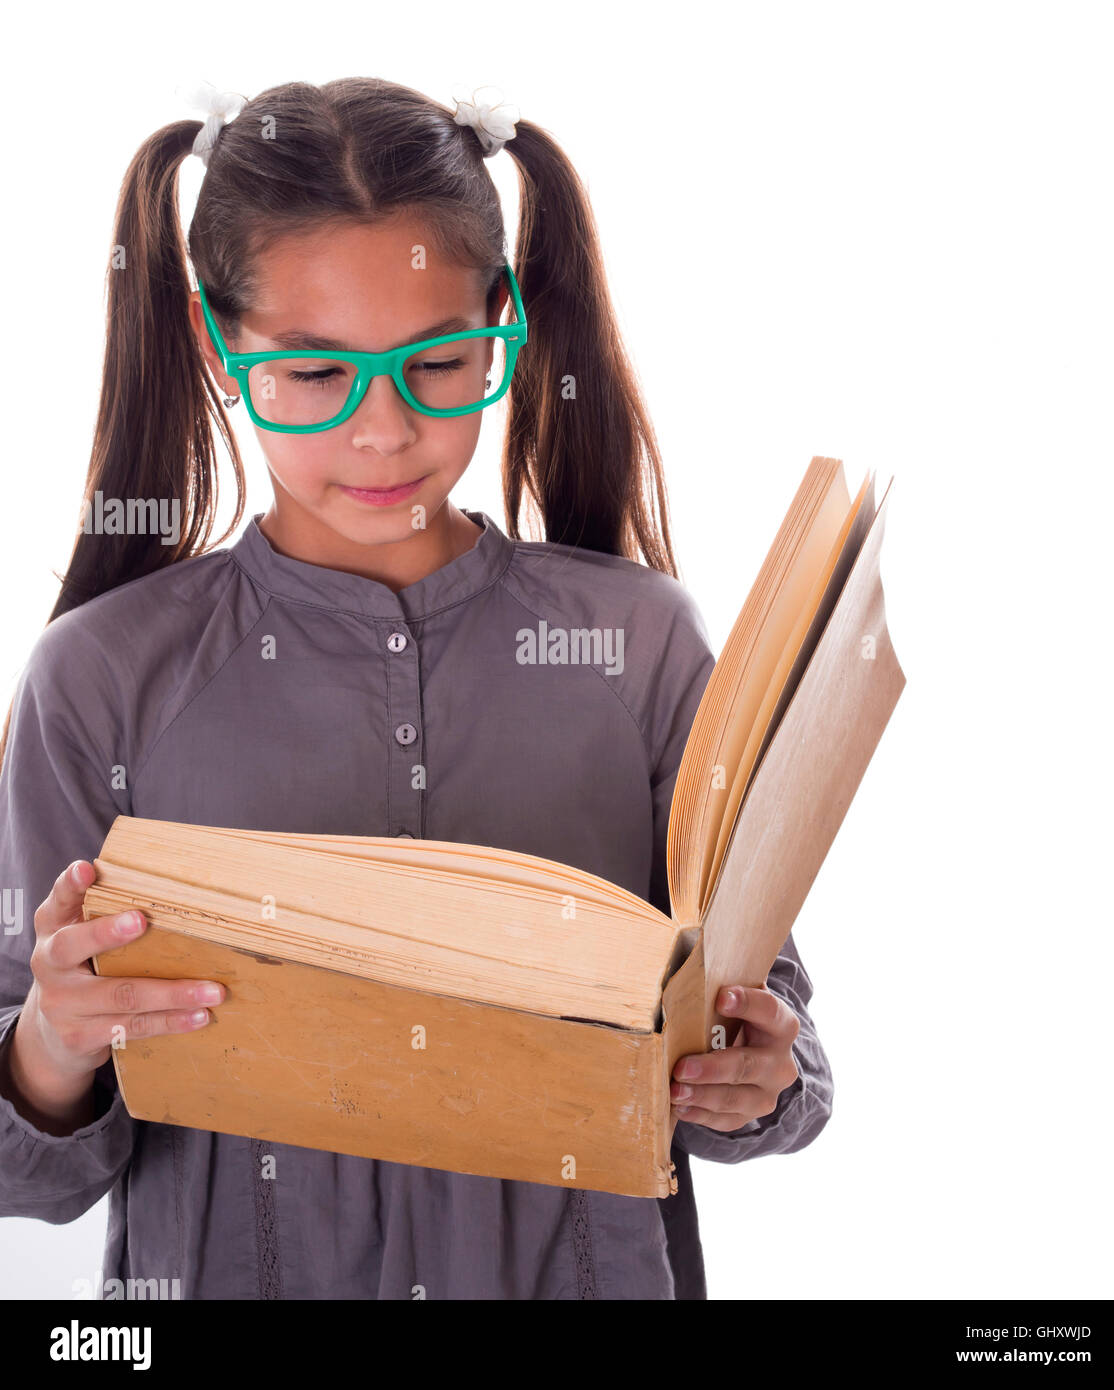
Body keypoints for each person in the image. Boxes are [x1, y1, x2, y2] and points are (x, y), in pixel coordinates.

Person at [0, 76, 833, 1300]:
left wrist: (754, 1073)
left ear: (504, 322)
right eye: (312, 373)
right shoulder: (105, 675)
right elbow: (29, 1172)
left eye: (440, 360)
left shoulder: (638, 644)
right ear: (211, 344)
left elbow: (768, 1041)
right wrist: (56, 1042)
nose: (382, 431)